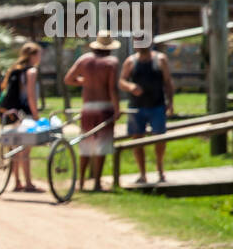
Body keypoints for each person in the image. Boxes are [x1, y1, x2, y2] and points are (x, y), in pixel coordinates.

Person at [64, 29, 121, 192]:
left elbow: (68, 79)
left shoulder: (84, 59)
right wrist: (117, 109)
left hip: (87, 108)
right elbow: (112, 89)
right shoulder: (111, 63)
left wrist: (86, 82)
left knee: (86, 145)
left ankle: (80, 181)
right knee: (101, 146)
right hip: (104, 108)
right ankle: (96, 182)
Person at [119, 40, 175, 184]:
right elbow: (122, 81)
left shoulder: (160, 59)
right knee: (137, 140)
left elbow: (168, 81)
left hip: (157, 105)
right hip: (137, 107)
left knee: (160, 138)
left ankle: (160, 169)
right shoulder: (130, 61)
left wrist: (171, 102)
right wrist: (131, 87)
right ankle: (142, 173)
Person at [0, 41, 42, 193]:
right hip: (24, 114)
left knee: (15, 148)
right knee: (25, 150)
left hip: (12, 113)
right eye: (39, 54)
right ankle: (28, 183)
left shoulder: (15, 69)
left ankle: (17, 182)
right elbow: (30, 95)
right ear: (33, 55)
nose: (40, 57)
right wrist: (35, 115)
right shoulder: (31, 72)